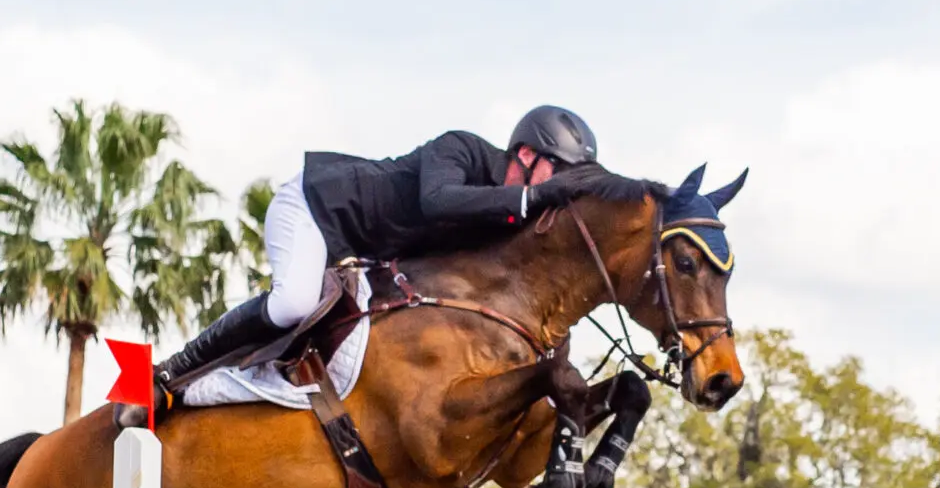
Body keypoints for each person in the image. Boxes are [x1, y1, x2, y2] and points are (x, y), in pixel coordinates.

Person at [151, 105, 603, 410]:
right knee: (293, 304)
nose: (555, 190)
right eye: (557, 173)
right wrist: (533, 198)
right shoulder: (461, 148)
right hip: (313, 208)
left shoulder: (503, 218)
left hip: (355, 256)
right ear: (526, 154)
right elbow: (438, 201)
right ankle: (171, 372)